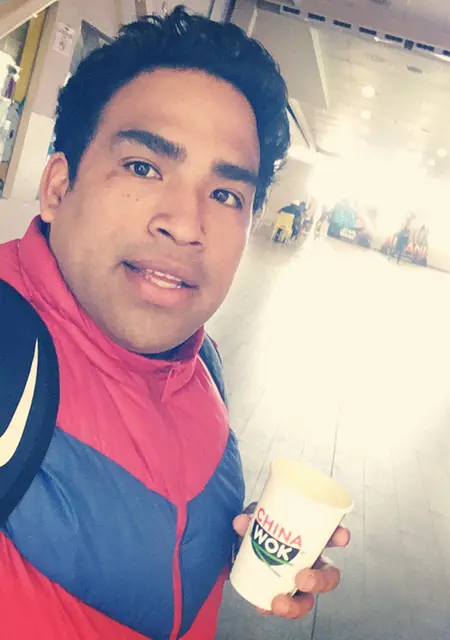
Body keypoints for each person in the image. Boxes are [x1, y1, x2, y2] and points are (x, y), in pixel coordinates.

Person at [0, 7, 349, 639]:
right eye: (143, 167)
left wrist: (248, 548)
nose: (186, 225)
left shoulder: (200, 362)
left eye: (225, 195)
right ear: (58, 187)